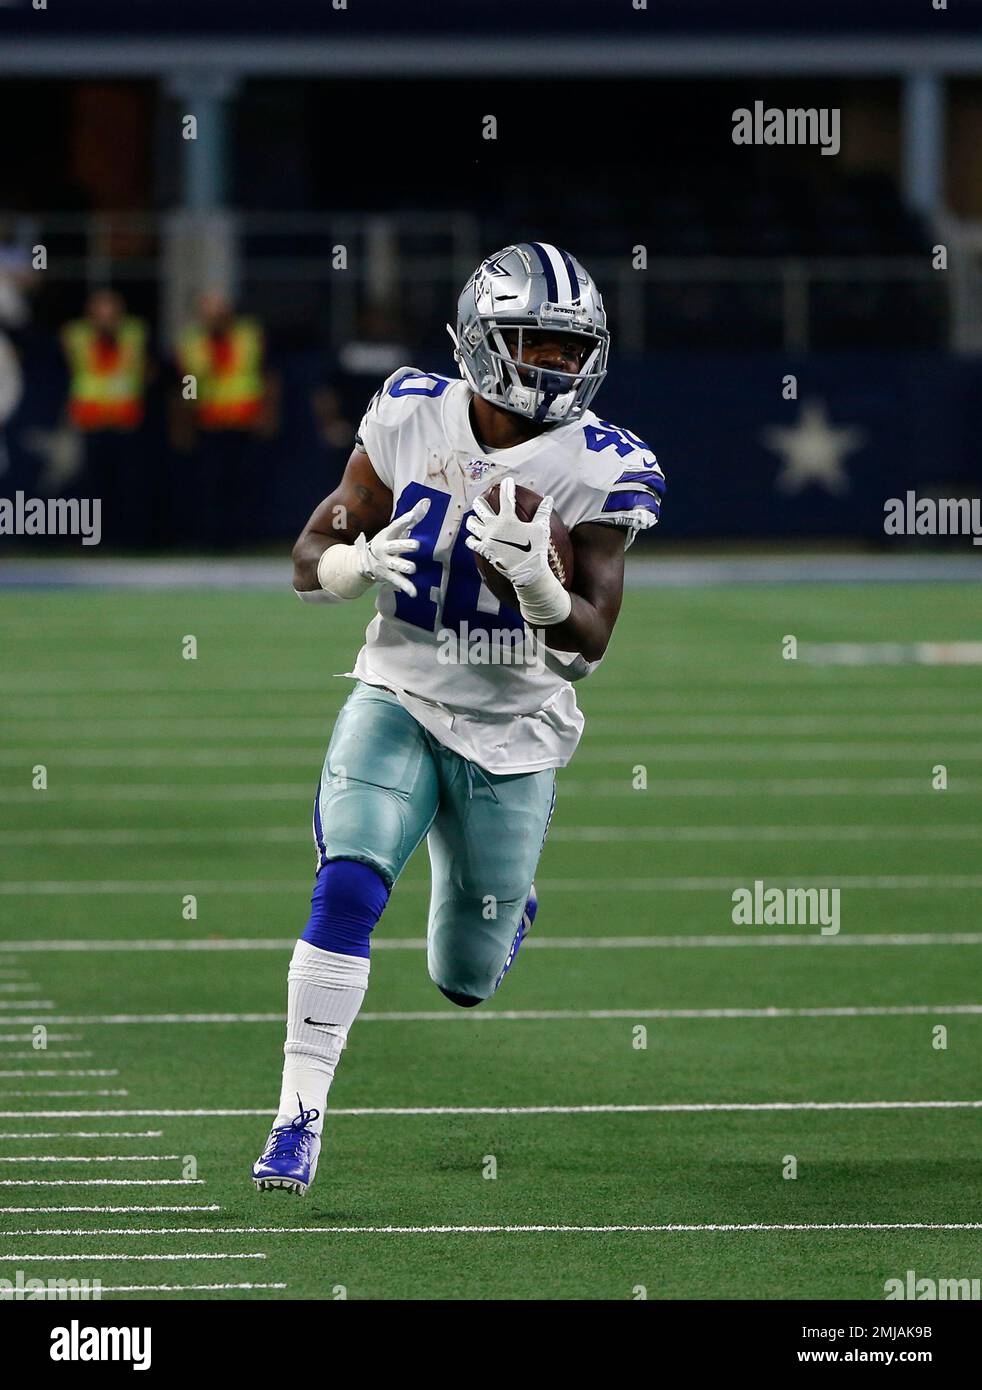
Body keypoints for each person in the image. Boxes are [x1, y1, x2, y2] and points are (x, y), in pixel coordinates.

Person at [251, 243, 666, 1195]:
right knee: (348, 883)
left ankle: (502, 901)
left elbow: (588, 644)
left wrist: (538, 586)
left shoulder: (603, 465)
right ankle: (296, 1117)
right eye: (536, 344)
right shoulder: (407, 412)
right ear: (483, 340)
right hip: (399, 691)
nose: (557, 366)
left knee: (464, 977)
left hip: (515, 733)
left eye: (571, 350)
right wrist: (348, 570)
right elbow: (311, 552)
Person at [174, 291, 278, 548]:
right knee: (211, 483)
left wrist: (269, 412)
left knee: (246, 482)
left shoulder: (249, 335)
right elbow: (185, 384)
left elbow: (268, 374)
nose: (216, 319)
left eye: (220, 313)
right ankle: (213, 539)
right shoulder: (192, 341)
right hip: (210, 422)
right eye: (210, 314)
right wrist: (184, 421)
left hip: (246, 420)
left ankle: (247, 537)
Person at [60, 289, 149, 542]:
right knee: (90, 482)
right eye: (100, 312)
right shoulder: (76, 334)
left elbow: (143, 367)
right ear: (90, 314)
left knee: (126, 483)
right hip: (91, 417)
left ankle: (127, 538)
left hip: (124, 417)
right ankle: (90, 537)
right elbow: (71, 364)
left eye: (111, 312)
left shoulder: (134, 332)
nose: (106, 318)